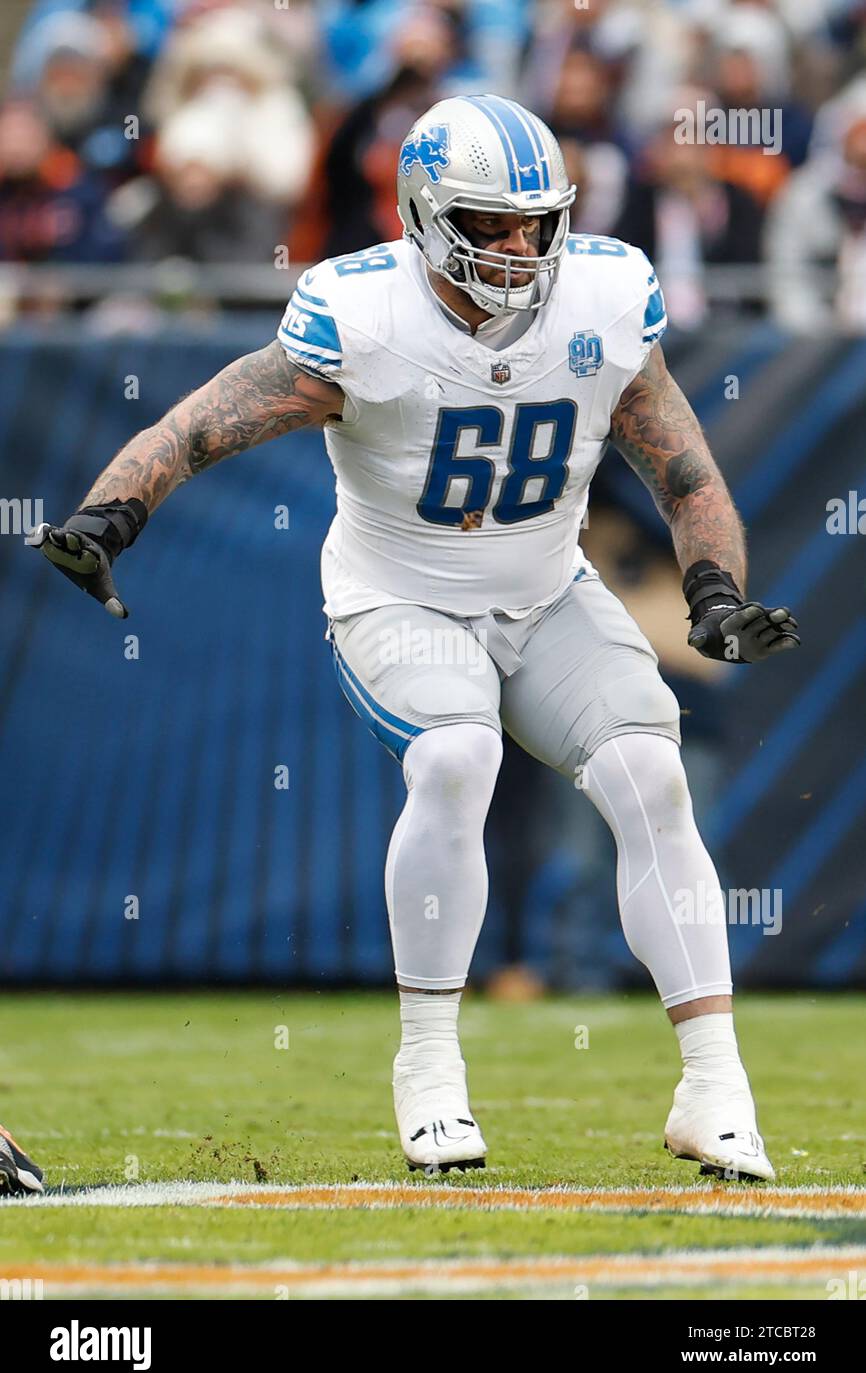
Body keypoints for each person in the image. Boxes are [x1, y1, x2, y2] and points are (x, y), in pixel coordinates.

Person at [29, 95, 799, 1185]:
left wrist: (712, 588)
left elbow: (679, 467)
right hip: (395, 596)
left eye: (537, 222)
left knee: (649, 773)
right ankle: (429, 1066)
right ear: (427, 215)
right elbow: (200, 421)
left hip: (544, 588)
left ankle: (712, 1083)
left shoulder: (603, 295)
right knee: (454, 754)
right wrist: (111, 514)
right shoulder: (364, 313)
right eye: (492, 223)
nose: (522, 246)